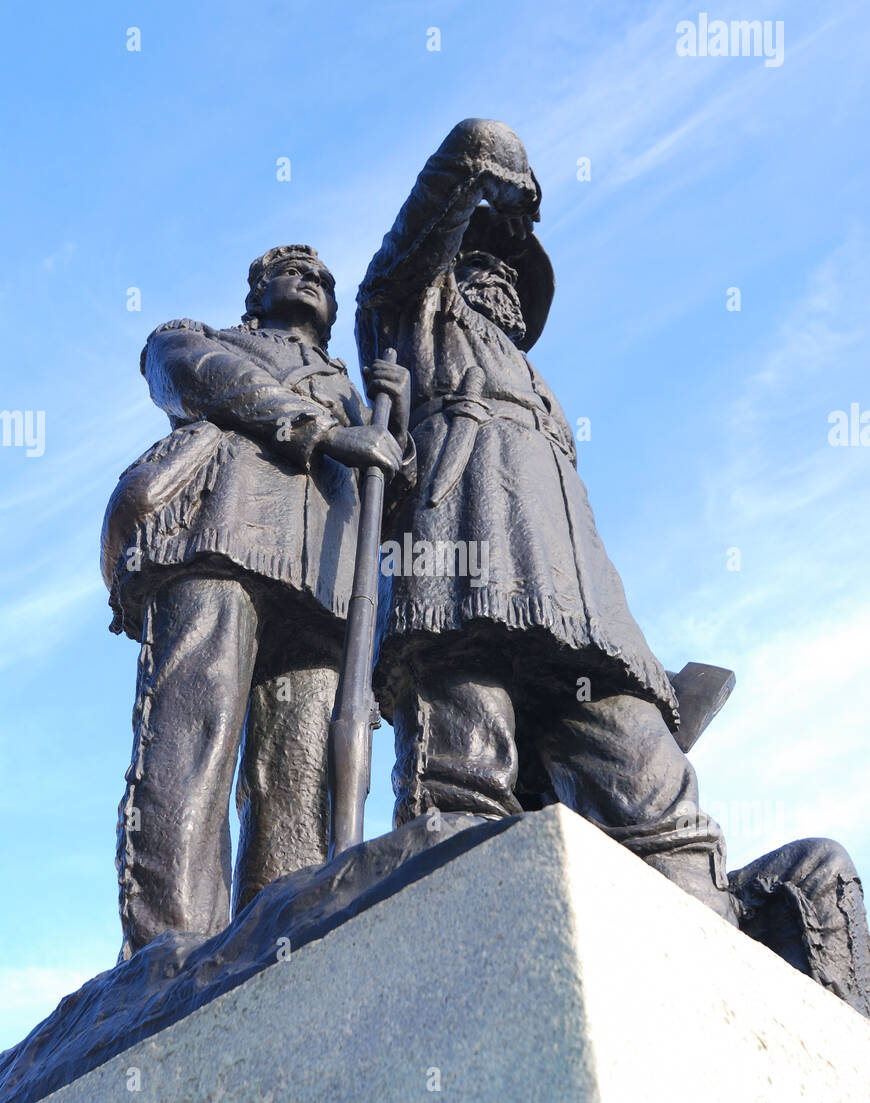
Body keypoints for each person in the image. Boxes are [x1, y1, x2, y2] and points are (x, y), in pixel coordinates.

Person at [357, 119, 870, 1015]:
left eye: (521, 281)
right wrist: (483, 159)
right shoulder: (411, 322)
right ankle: (477, 1022)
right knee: (460, 801)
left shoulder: (544, 392)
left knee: (668, 822)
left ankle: (717, 1019)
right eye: (491, 267)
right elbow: (410, 244)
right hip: (458, 588)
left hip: (585, 620)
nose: (508, 287)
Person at [103, 245, 407, 960]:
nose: (313, 279)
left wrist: (400, 435)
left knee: (300, 779)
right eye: (293, 270)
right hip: (223, 534)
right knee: (192, 736)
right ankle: (167, 952)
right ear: (258, 291)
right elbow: (195, 374)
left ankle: (282, 948)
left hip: (326, 589)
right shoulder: (204, 338)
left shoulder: (357, 398)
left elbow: (394, 497)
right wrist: (327, 431)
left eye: (326, 279)